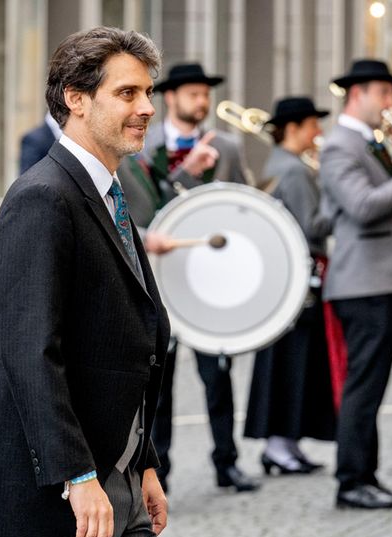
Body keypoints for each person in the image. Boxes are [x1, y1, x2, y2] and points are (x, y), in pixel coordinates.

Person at [0, 27, 171, 537]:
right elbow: (28, 354)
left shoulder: (110, 193)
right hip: (65, 495)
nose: (146, 107)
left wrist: (144, 463)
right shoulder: (42, 197)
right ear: (76, 98)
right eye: (126, 93)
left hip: (121, 478)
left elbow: (126, 339)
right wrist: (78, 478)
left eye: (147, 93)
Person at [319, 59, 392, 510]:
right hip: (362, 282)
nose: (390, 102)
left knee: (373, 385)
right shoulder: (338, 146)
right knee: (363, 386)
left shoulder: (371, 142)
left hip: (382, 279)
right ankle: (351, 482)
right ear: (357, 95)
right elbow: (363, 206)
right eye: (383, 93)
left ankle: (366, 475)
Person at [141, 62, 258, 493]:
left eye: (205, 94)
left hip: (212, 281)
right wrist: (186, 171)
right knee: (159, 383)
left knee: (218, 377)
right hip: (163, 280)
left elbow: (242, 204)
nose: (202, 101)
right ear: (171, 98)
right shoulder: (142, 146)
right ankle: (159, 471)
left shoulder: (227, 146)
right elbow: (148, 209)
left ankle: (227, 462)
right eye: (193, 93)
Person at [244, 96, 336, 474]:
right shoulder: (296, 170)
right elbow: (314, 226)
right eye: (313, 125)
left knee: (291, 360)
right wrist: (337, 198)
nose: (318, 132)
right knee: (293, 361)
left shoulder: (279, 163)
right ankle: (280, 446)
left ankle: (285, 444)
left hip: (287, 278)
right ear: (294, 128)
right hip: (301, 279)